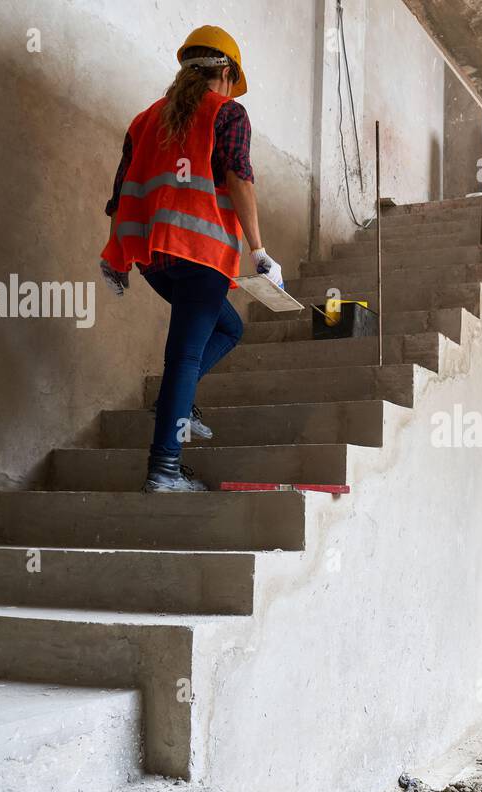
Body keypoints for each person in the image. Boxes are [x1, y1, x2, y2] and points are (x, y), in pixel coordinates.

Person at [99, 25, 283, 492]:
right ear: (225, 72)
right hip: (201, 257)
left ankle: (171, 405)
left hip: (154, 261)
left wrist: (115, 255)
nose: (230, 90)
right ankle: (164, 468)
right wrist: (259, 250)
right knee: (183, 357)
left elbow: (121, 196)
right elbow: (239, 179)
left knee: (229, 328)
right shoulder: (227, 114)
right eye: (231, 80)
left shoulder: (144, 122)